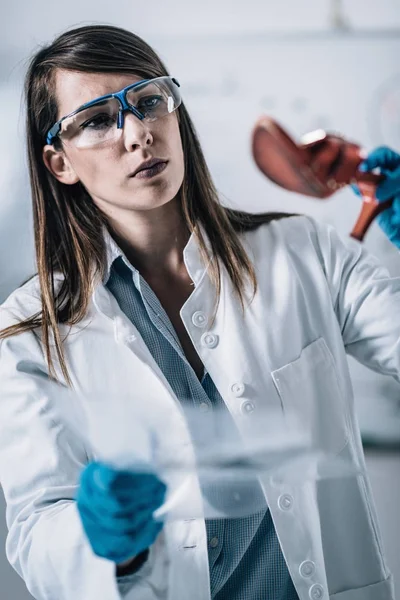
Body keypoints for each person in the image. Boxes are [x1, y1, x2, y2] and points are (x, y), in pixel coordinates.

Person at [0, 24, 399, 600]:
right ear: (59, 162)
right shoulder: (30, 331)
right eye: (95, 119)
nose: (137, 132)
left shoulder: (304, 252)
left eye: (149, 102)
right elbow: (37, 531)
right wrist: (105, 537)